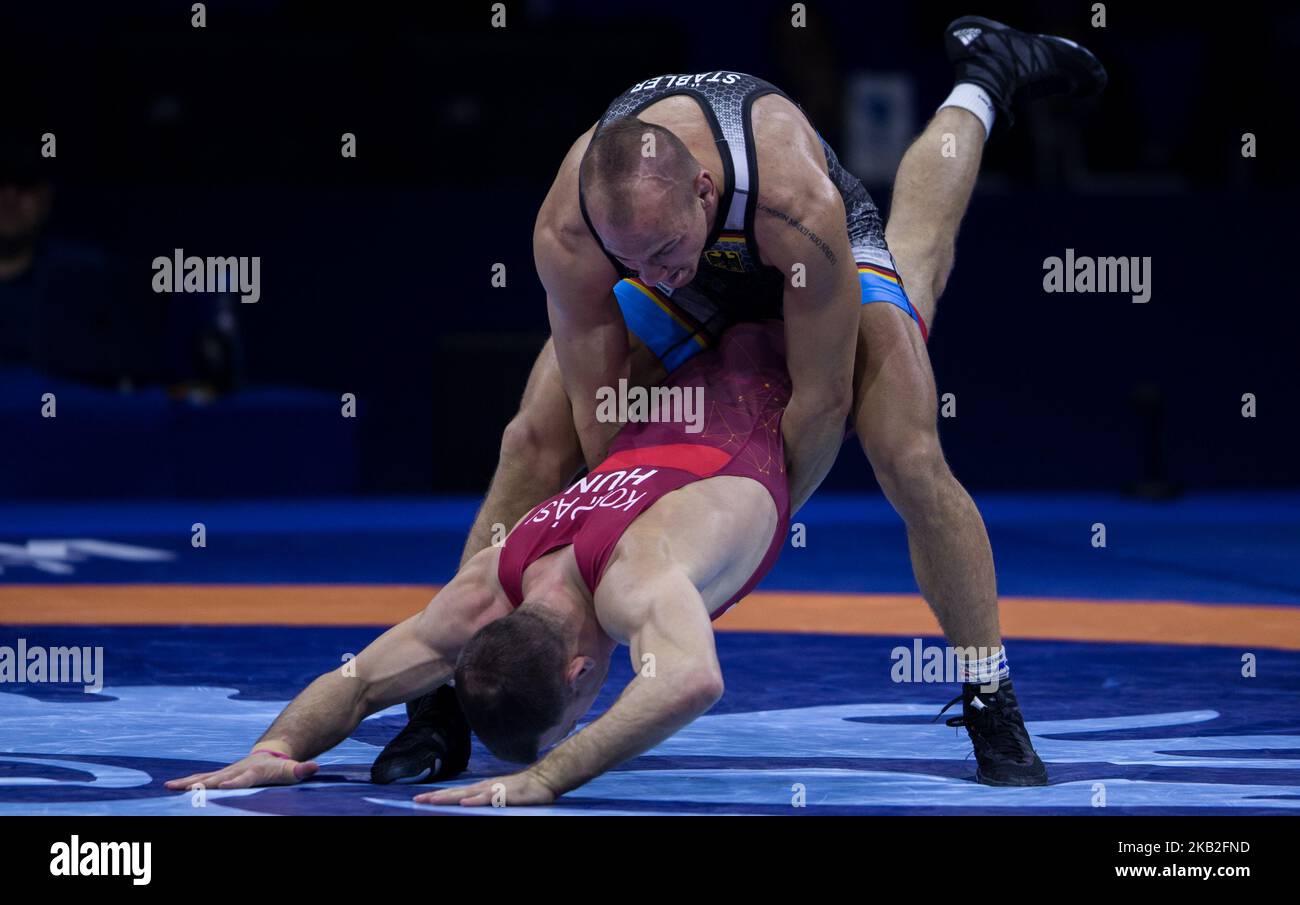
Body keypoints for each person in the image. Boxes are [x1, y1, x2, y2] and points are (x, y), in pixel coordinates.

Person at [383, 15, 1106, 787]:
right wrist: (628, 542)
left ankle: (990, 694)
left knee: (908, 443)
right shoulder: (572, 230)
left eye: (664, 250)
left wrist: (749, 517)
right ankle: (449, 695)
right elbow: (600, 425)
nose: (656, 273)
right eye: (636, 260)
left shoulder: (796, 204)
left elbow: (819, 406)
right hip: (695, 271)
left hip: (801, 272)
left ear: (703, 189)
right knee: (532, 437)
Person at [165, 319, 800, 805]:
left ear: (580, 674)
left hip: (790, 362)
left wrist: (549, 776)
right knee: (529, 433)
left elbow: (692, 681)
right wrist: (275, 748)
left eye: (574, 720)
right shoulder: (496, 580)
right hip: (682, 359)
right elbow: (356, 682)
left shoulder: (635, 579)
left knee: (902, 419)